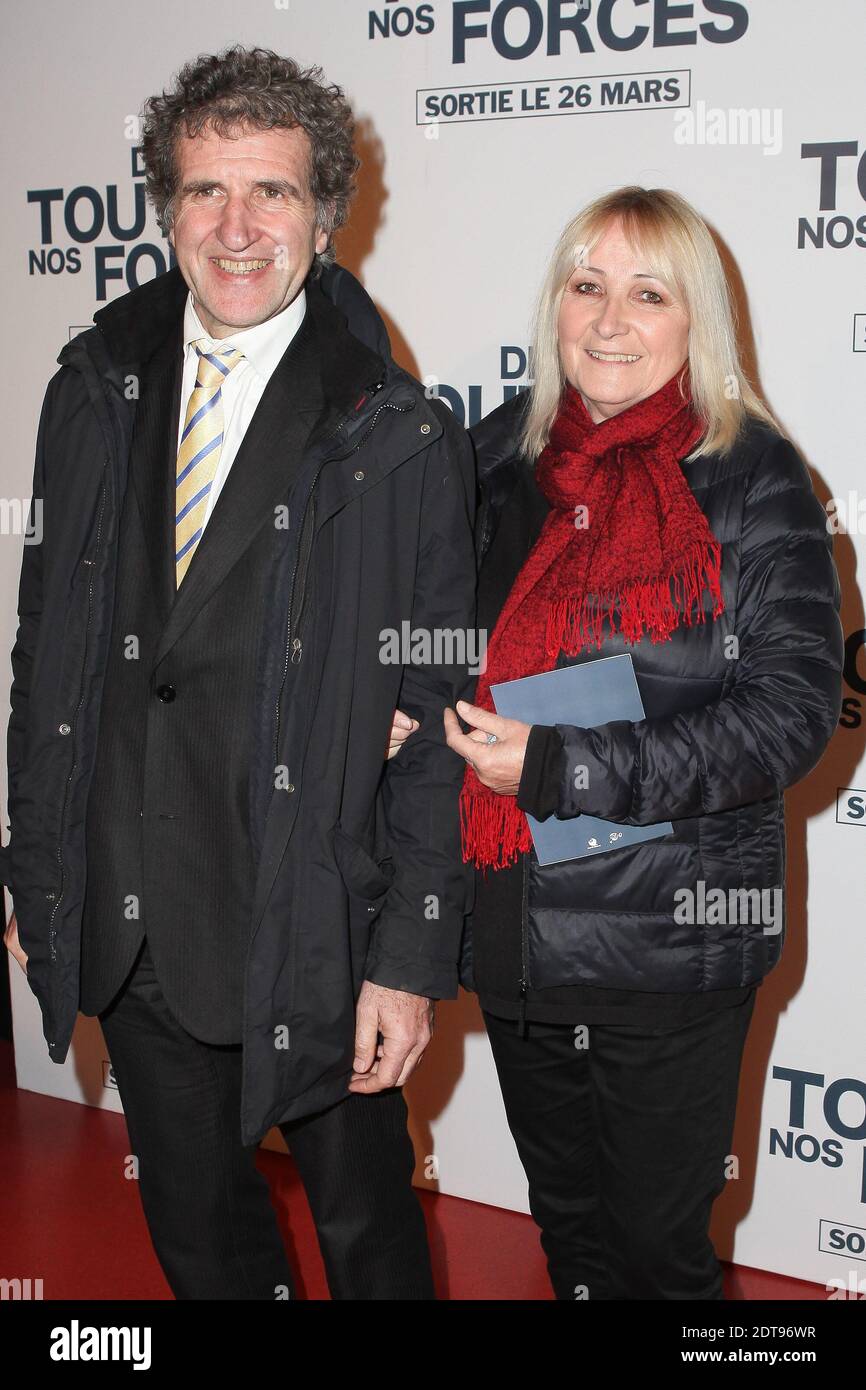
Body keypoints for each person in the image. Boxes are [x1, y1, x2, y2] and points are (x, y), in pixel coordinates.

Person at [2, 45, 476, 1300]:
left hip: (312, 920)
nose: (236, 226)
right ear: (165, 209)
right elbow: (45, 637)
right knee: (202, 1239)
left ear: (324, 216)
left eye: (271, 191)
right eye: (205, 190)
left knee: (372, 1242)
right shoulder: (91, 387)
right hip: (140, 912)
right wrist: (38, 858)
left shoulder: (396, 431)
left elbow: (436, 713)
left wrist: (409, 958)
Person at [392, 186, 843, 1300]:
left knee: (656, 1261)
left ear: (697, 323)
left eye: (647, 294)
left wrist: (563, 768)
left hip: (668, 944)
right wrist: (411, 703)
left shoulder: (751, 479)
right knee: (574, 1245)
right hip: (515, 927)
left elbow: (787, 710)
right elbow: (447, 633)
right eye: (585, 286)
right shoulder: (494, 458)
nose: (607, 319)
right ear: (553, 305)